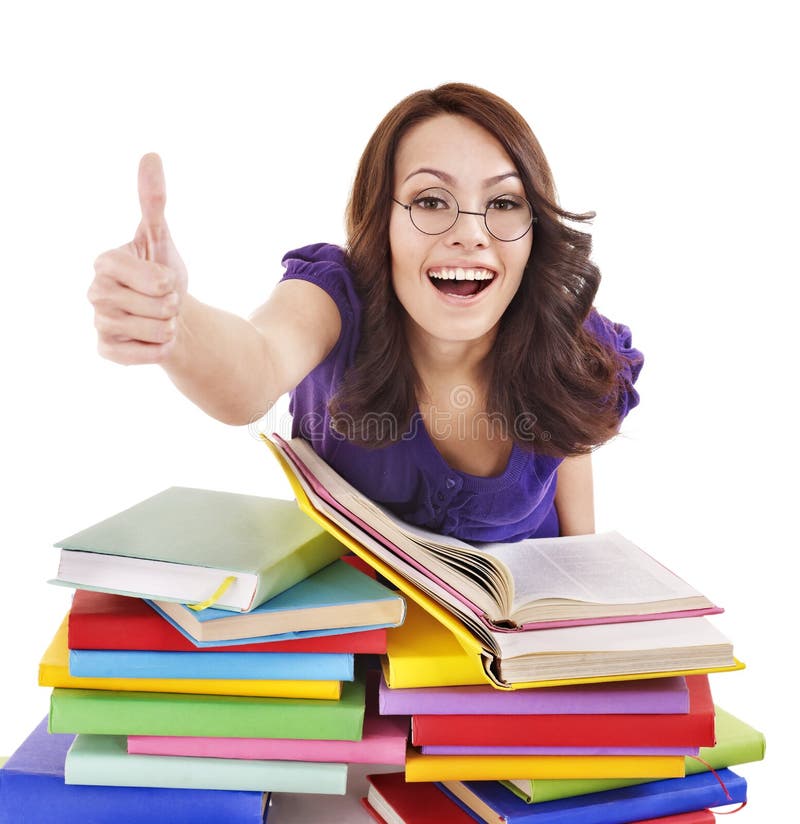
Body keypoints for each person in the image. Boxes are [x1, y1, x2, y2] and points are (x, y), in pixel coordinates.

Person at [88, 83, 643, 544]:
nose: (471, 235)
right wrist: (176, 324)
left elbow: (578, 539)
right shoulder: (333, 300)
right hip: (361, 660)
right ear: (381, 222)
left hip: (516, 659)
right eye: (430, 201)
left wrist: (576, 646)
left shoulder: (572, 339)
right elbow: (255, 368)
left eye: (503, 203)